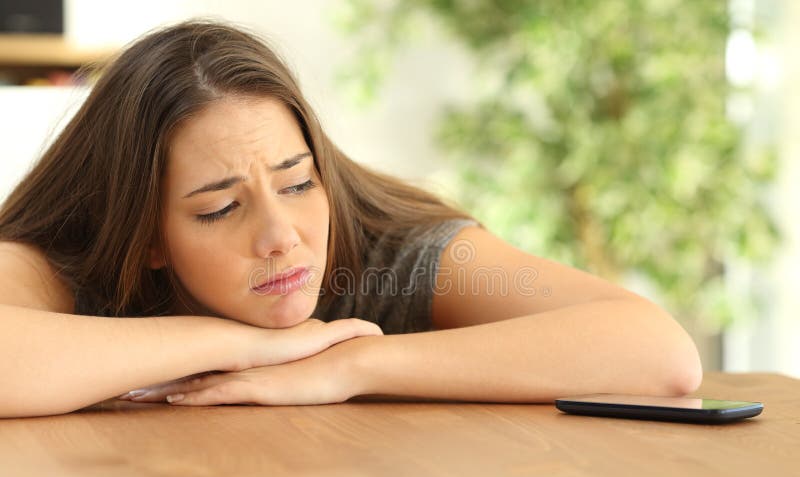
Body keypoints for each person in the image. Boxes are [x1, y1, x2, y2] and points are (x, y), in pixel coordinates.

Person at [0, 18, 702, 418]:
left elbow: (656, 352)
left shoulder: (392, 253)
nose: (282, 237)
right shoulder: (71, 256)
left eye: (298, 183)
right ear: (145, 233)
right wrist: (238, 344)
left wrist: (352, 364)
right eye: (220, 208)